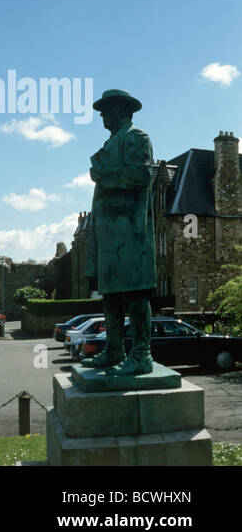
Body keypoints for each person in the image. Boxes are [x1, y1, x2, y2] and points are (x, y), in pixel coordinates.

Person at [78, 89, 156, 376]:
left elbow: (142, 176)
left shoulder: (136, 137)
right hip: (108, 235)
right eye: (101, 110)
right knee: (109, 294)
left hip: (129, 233)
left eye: (107, 109)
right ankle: (114, 349)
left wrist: (104, 174)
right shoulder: (111, 141)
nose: (102, 114)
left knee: (135, 295)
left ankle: (141, 354)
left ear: (124, 111)